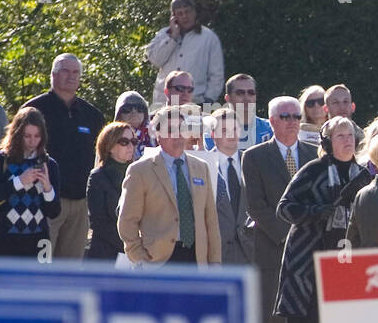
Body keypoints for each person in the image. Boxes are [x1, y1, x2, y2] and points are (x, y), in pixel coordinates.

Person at [276, 116, 370, 323]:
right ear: (328, 142)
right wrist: (319, 212)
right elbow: (285, 207)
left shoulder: (364, 176)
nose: (347, 140)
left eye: (351, 135)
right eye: (340, 135)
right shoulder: (313, 171)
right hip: (307, 262)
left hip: (345, 262)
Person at [242, 96, 318, 323]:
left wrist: (306, 238)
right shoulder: (255, 157)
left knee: (308, 321)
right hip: (272, 252)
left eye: (296, 116)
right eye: (285, 116)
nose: (292, 121)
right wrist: (290, 237)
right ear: (271, 121)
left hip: (310, 251)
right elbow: (257, 206)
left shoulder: (315, 155)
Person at [22, 53, 104, 259]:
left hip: (80, 204)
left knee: (70, 270)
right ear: (53, 75)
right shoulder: (34, 110)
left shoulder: (92, 115)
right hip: (43, 200)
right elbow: (16, 152)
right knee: (40, 266)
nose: (71, 76)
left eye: (76, 72)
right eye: (65, 71)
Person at [117, 105, 220, 266]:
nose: (177, 135)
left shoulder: (201, 167)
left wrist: (215, 265)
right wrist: (139, 257)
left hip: (196, 260)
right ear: (158, 135)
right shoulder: (140, 170)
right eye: (170, 130)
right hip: (157, 261)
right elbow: (127, 221)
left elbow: (211, 221)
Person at [0, 107, 61, 257]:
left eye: (37, 136)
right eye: (27, 136)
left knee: (40, 281)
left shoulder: (49, 164)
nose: (32, 141)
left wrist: (47, 188)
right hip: (5, 240)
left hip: (38, 241)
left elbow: (54, 212)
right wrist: (19, 181)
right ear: (17, 134)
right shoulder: (1, 160)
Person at [145, 0, 224, 107]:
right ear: (174, 17)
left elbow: (216, 74)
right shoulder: (163, 35)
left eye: (187, 12)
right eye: (180, 13)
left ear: (194, 12)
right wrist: (172, 37)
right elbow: (155, 60)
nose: (184, 16)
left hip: (196, 102)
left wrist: (209, 100)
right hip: (163, 103)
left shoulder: (209, 38)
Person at [202, 107, 252, 265]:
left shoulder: (253, 162)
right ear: (213, 135)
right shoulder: (202, 165)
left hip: (251, 253)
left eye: (234, 129)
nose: (231, 134)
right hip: (215, 254)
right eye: (224, 130)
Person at [85, 122, 136, 261]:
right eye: (124, 142)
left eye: (133, 141)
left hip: (134, 254)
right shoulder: (97, 177)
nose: (131, 146)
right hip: (105, 255)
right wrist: (129, 244)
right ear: (110, 146)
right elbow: (98, 222)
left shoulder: (138, 175)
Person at [216, 74, 272, 152]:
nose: (246, 98)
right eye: (240, 93)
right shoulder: (214, 129)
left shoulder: (270, 129)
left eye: (251, 93)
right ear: (227, 98)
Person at [113, 91, 152, 155]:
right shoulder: (111, 137)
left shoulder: (156, 136)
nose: (134, 112)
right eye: (127, 108)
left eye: (140, 108)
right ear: (119, 114)